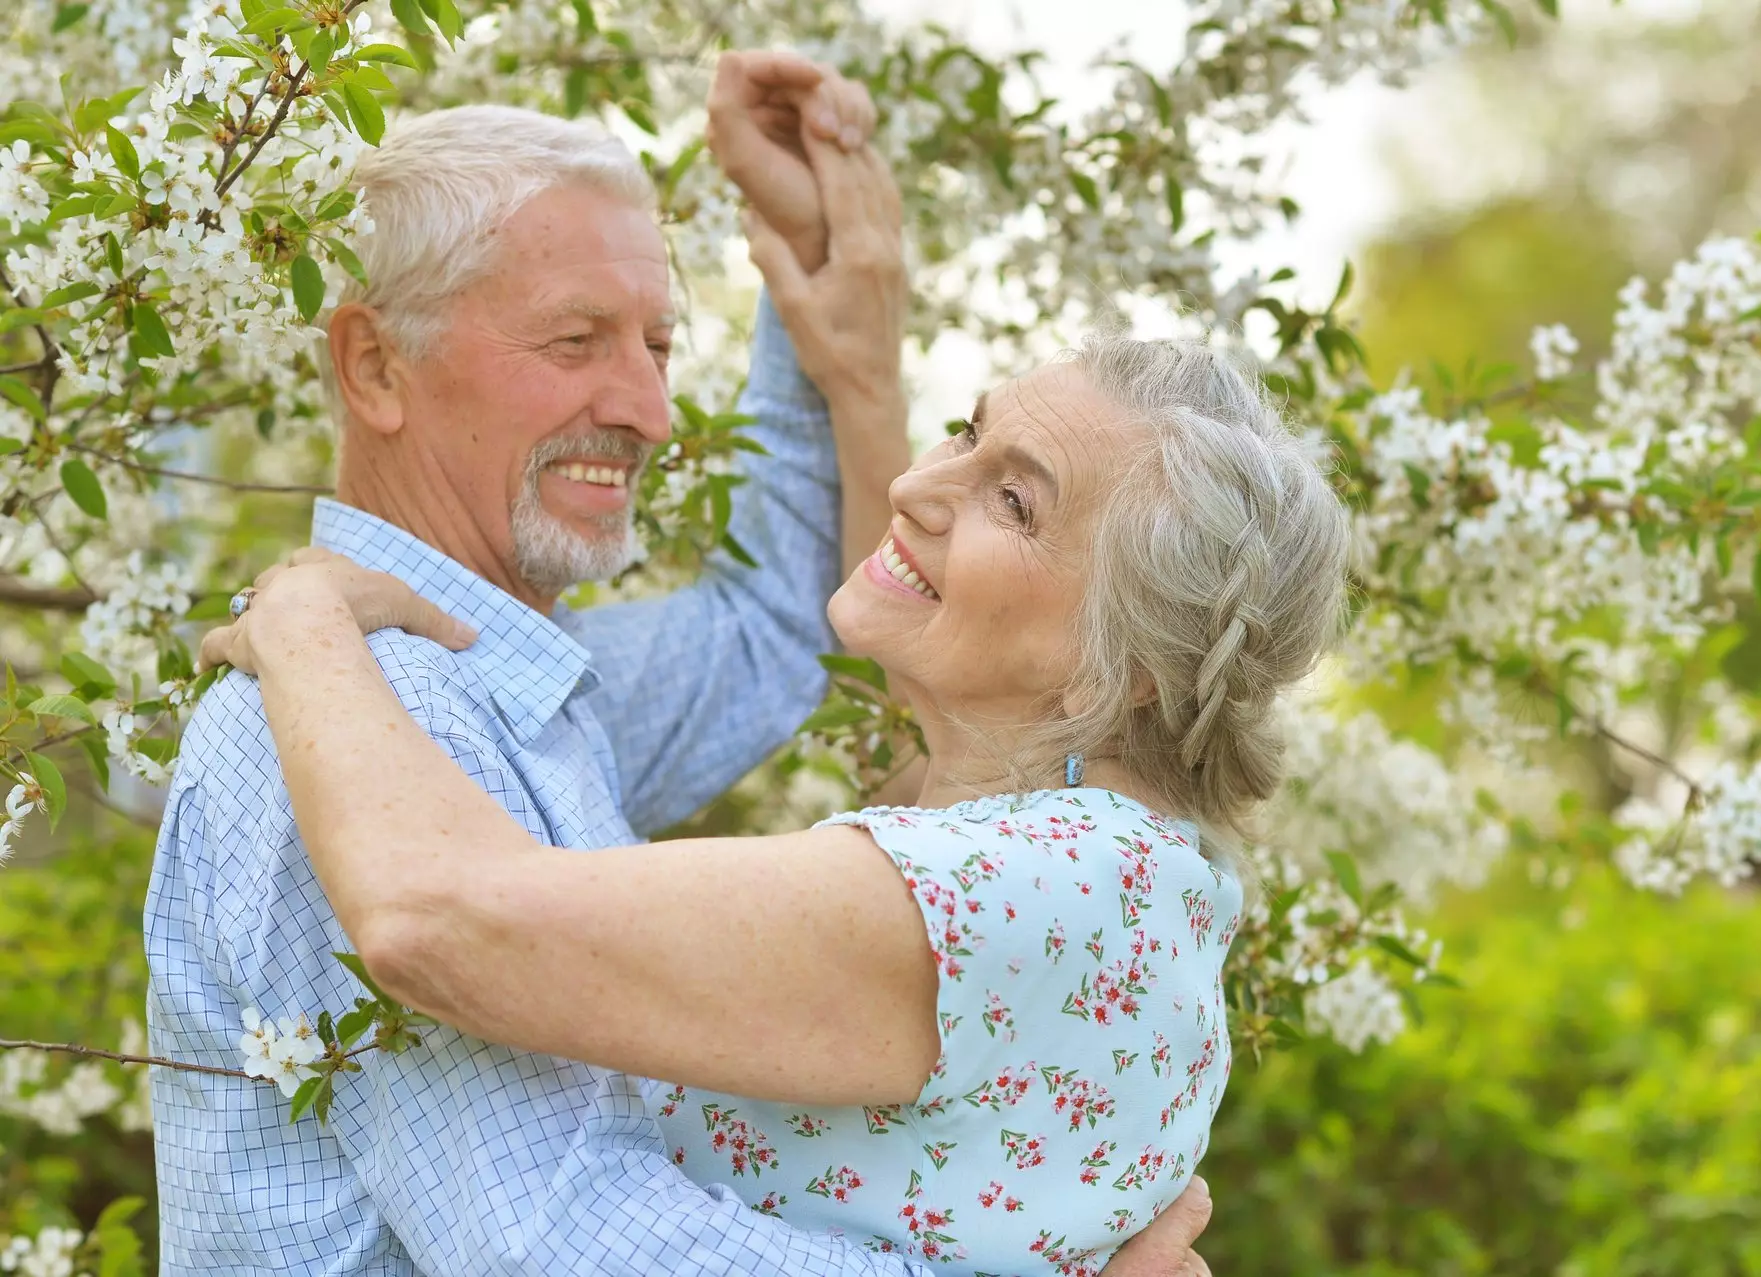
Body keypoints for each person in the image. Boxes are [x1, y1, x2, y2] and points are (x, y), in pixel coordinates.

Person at [145, 51, 1211, 1276]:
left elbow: (773, 628)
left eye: (656, 343)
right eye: (574, 340)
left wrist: (798, 259)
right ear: (375, 365)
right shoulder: (348, 729)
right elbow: (555, 1240)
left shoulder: (518, 687)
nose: (648, 408)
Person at [200, 301, 1353, 1266]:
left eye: (1015, 499)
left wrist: (303, 620)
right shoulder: (1132, 883)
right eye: (964, 432)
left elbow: (435, 918)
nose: (919, 485)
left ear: (1128, 664)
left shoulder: (1033, 887)